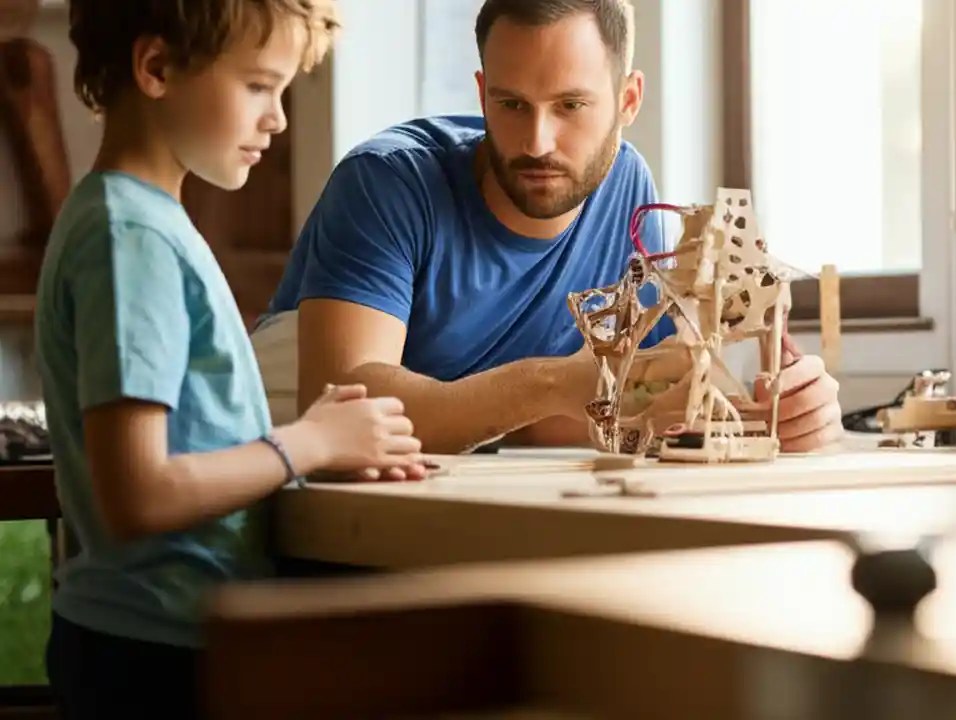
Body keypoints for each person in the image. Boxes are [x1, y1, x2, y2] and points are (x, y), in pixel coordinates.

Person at [35, 2, 426, 716]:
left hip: (159, 640)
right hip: (154, 654)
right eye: (258, 86)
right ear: (156, 69)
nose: (277, 118)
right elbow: (138, 494)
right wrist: (302, 444)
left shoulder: (135, 220)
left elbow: (185, 445)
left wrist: (317, 444)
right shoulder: (132, 238)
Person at [255, 0, 844, 456]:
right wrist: (556, 381)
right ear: (483, 95)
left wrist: (772, 413)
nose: (537, 143)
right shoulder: (386, 183)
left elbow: (569, 421)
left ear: (628, 100)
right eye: (512, 105)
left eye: (570, 106)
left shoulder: (627, 189)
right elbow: (335, 407)